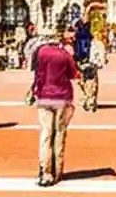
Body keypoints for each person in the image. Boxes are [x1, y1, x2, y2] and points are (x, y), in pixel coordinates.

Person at [33, 25, 80, 187]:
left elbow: (38, 73)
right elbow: (73, 74)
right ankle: (57, 170)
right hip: (61, 97)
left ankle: (45, 172)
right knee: (59, 134)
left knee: (46, 134)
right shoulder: (64, 55)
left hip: (44, 96)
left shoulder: (41, 53)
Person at [80, 26, 107, 112]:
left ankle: (88, 99)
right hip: (92, 65)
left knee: (85, 83)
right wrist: (102, 63)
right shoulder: (98, 43)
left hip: (85, 65)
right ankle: (91, 99)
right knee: (92, 83)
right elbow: (102, 55)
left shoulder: (82, 42)